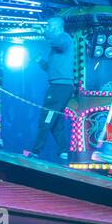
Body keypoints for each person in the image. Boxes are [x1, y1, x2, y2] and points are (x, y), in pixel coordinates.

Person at [29, 15, 75, 160]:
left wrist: (44, 32)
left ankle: (36, 151)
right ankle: (63, 151)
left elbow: (57, 42)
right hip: (59, 86)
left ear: (58, 26)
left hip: (60, 87)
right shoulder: (56, 46)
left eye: (50, 25)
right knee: (56, 121)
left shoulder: (65, 38)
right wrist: (39, 61)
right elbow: (50, 69)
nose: (48, 28)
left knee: (46, 118)